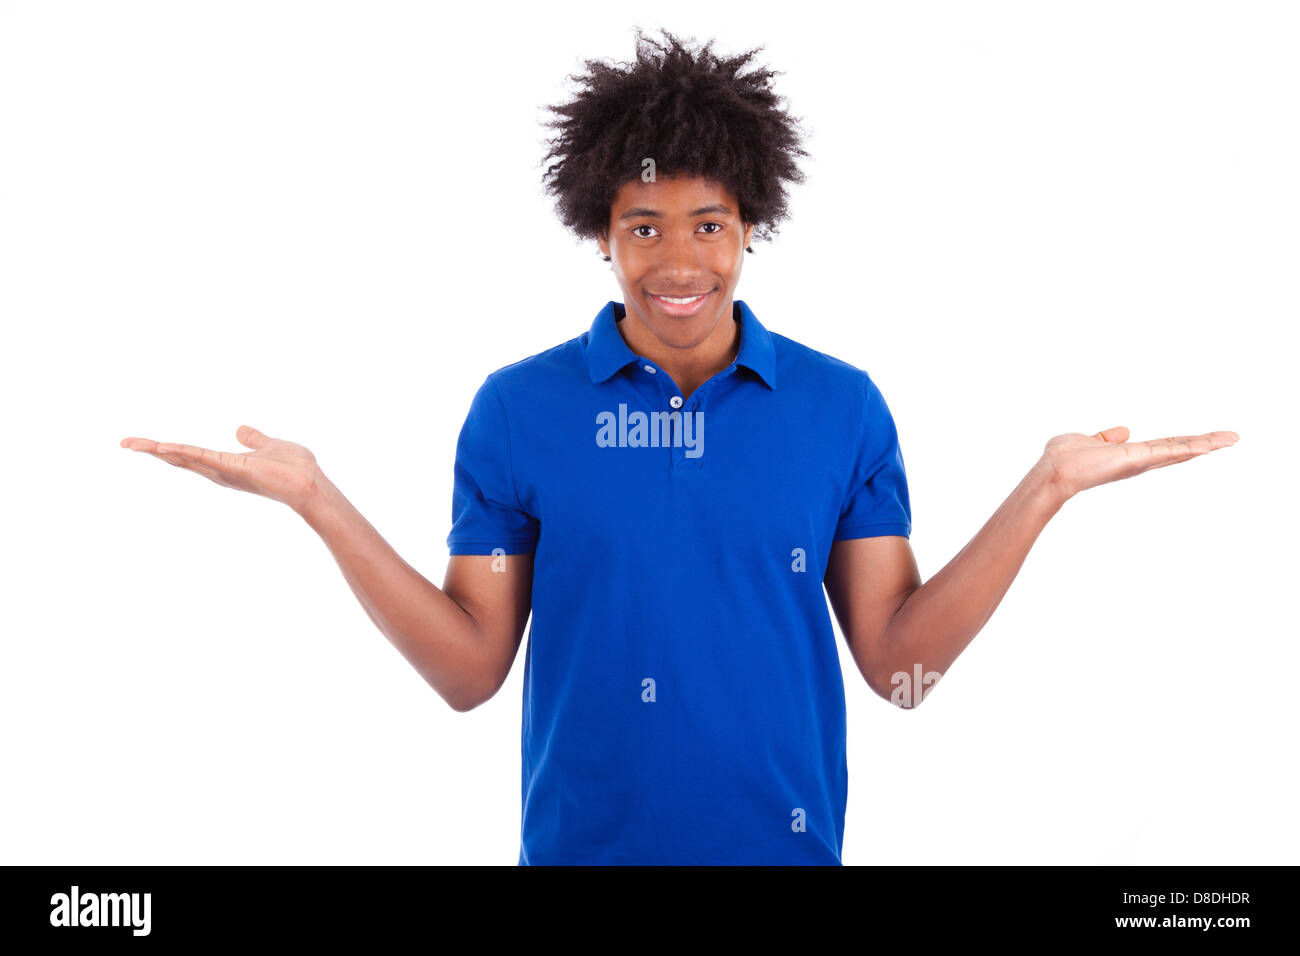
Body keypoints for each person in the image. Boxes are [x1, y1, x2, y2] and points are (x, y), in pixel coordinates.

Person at [120, 28, 1238, 865]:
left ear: (750, 225)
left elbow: (899, 665)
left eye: (707, 224)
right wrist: (318, 497)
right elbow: (469, 671)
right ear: (598, 235)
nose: (676, 261)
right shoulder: (519, 409)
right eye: (641, 228)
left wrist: (1042, 489)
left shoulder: (841, 407)